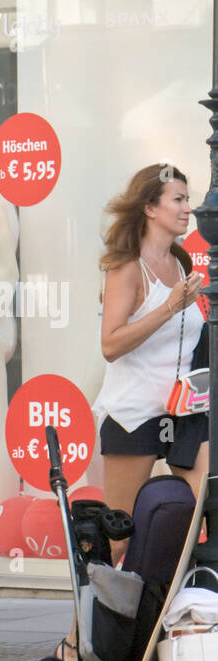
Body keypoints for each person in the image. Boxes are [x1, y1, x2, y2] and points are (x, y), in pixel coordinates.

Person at [93, 165, 208, 564]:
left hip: (183, 413)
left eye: (187, 200)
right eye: (177, 199)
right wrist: (170, 306)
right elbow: (110, 345)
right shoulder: (127, 267)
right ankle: (83, 628)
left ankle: (175, 614)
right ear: (149, 208)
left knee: (202, 512)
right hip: (134, 413)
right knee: (117, 537)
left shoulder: (181, 264)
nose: (187, 209)